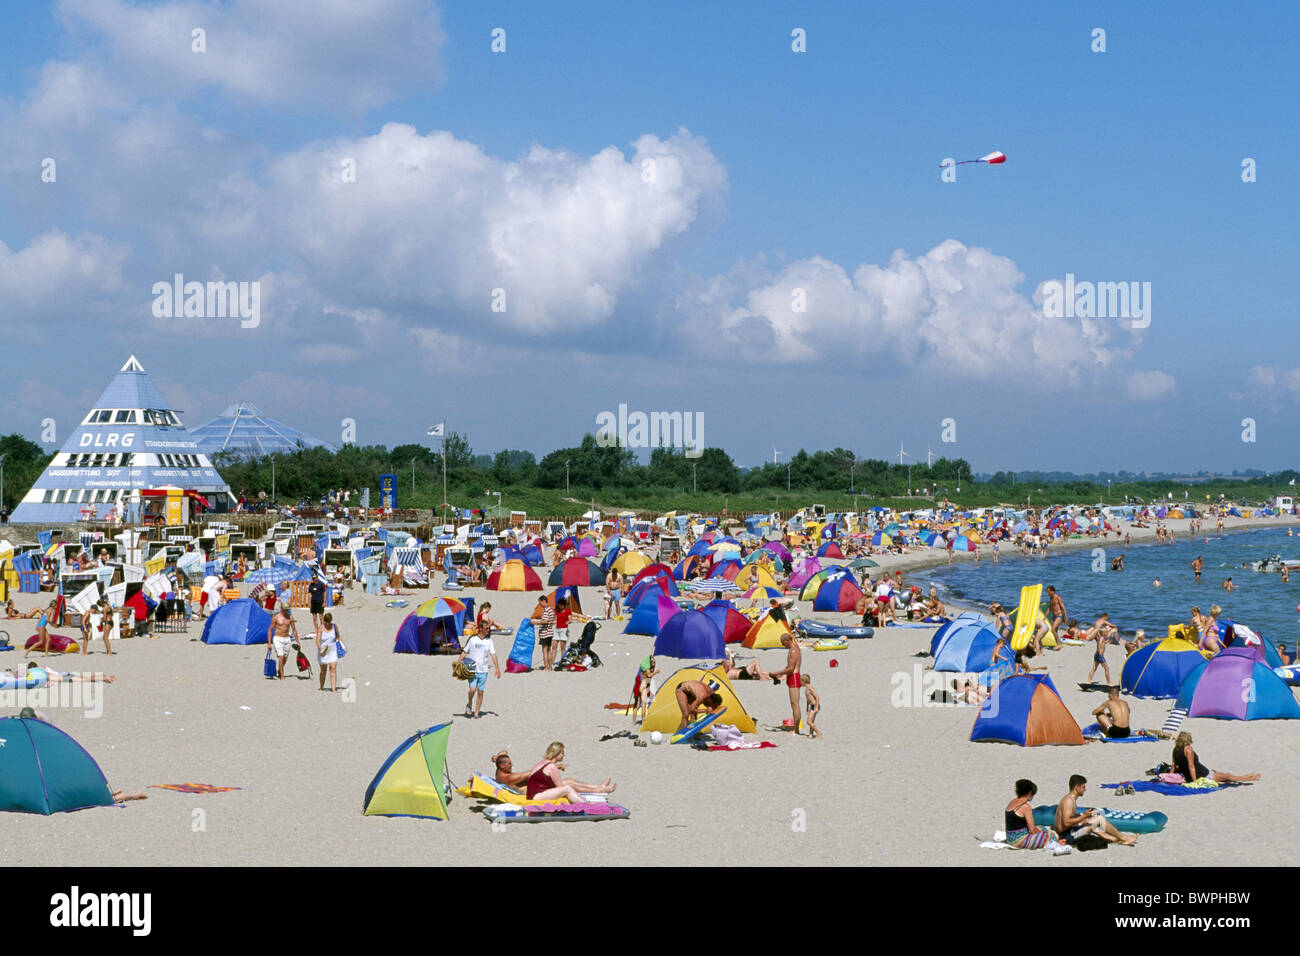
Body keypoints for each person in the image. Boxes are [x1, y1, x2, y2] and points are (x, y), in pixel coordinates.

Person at [1055, 775, 1137, 846]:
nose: (1085, 789)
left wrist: (1084, 817)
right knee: (1099, 819)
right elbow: (1066, 822)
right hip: (1067, 836)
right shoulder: (1068, 801)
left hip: (1069, 831)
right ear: (1077, 787)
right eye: (1083, 787)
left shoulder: (1070, 799)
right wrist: (1084, 816)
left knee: (1092, 817)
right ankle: (1124, 838)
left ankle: (1113, 838)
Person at [524, 742, 616, 801]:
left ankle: (599, 787)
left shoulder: (544, 762)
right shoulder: (551, 767)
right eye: (562, 753)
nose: (564, 755)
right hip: (536, 796)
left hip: (536, 793)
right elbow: (560, 787)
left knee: (568, 781)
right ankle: (585, 804)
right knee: (567, 788)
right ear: (556, 753)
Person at [1171, 732, 1259, 784]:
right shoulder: (1188, 749)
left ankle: (1245, 777)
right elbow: (1191, 766)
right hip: (1203, 775)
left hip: (1199, 773)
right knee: (1228, 776)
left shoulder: (1175, 750)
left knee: (1222, 774)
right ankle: (1248, 778)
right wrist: (1195, 782)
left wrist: (1169, 776)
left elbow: (1174, 766)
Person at [458, 620, 500, 718]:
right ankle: (469, 704)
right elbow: (465, 651)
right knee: (473, 689)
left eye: (489, 628)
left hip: (484, 670)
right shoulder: (472, 640)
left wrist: (497, 668)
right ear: (480, 629)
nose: (488, 630)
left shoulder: (489, 641)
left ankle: (476, 712)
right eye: (486, 628)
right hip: (472, 669)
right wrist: (458, 662)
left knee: (480, 692)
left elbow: (493, 654)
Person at [1002, 779, 1057, 850]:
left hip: (1010, 837)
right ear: (1029, 793)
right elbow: (1032, 830)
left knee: (1041, 828)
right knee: (1051, 835)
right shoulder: (1025, 807)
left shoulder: (1012, 802)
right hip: (1018, 840)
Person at [768, 633, 804, 733]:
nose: (783, 646)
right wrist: (779, 675)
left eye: (783, 643)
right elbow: (788, 667)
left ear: (788, 641)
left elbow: (791, 669)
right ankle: (795, 728)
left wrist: (777, 672)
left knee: (795, 704)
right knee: (793, 704)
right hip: (792, 677)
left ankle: (796, 730)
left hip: (794, 678)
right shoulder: (794, 649)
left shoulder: (793, 651)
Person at [266, 605, 300, 681]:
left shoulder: (290, 617)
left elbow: (294, 630)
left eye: (287, 610)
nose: (286, 611)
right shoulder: (276, 617)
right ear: (281, 609)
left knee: (285, 658)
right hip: (277, 638)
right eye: (284, 610)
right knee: (280, 656)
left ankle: (280, 670)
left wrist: (297, 641)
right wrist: (269, 643)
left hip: (287, 639)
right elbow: (270, 630)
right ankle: (282, 676)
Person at [530, 593, 557, 671]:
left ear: (543, 601)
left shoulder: (546, 610)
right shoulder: (551, 610)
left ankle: (546, 667)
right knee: (548, 650)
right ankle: (550, 667)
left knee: (545, 650)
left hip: (545, 633)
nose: (540, 604)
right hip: (550, 632)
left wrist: (535, 622)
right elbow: (550, 621)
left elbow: (545, 621)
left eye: (540, 602)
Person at [315, 612, 341, 693]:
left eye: (329, 622)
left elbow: (338, 636)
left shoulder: (334, 626)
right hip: (324, 650)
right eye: (326, 622)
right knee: (323, 671)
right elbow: (318, 640)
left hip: (333, 650)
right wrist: (320, 648)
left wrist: (343, 646)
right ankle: (322, 686)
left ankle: (333, 689)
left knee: (333, 668)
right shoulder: (321, 628)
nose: (327, 624)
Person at [1086, 615, 1114, 685]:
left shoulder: (1101, 638)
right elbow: (1099, 646)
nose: (1107, 633)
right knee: (1107, 668)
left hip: (1097, 655)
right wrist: (1099, 653)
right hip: (1100, 656)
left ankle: (1088, 681)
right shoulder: (1101, 638)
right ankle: (1109, 682)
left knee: (1094, 668)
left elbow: (1102, 643)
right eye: (1107, 632)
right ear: (1104, 633)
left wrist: (1106, 642)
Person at [631, 654, 658, 721]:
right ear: (649, 663)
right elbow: (649, 675)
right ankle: (643, 722)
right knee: (643, 706)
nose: (654, 663)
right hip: (644, 689)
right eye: (653, 662)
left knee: (637, 705)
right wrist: (656, 672)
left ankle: (634, 721)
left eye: (654, 662)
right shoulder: (648, 670)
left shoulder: (643, 669)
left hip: (640, 687)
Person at [802, 673, 821, 738]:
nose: (800, 683)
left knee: (808, 721)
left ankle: (818, 733)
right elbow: (808, 699)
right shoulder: (806, 689)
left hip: (814, 706)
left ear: (804, 681)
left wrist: (816, 708)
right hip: (811, 706)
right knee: (812, 721)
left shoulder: (810, 688)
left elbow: (817, 697)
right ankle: (811, 734)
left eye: (800, 681)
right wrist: (807, 708)